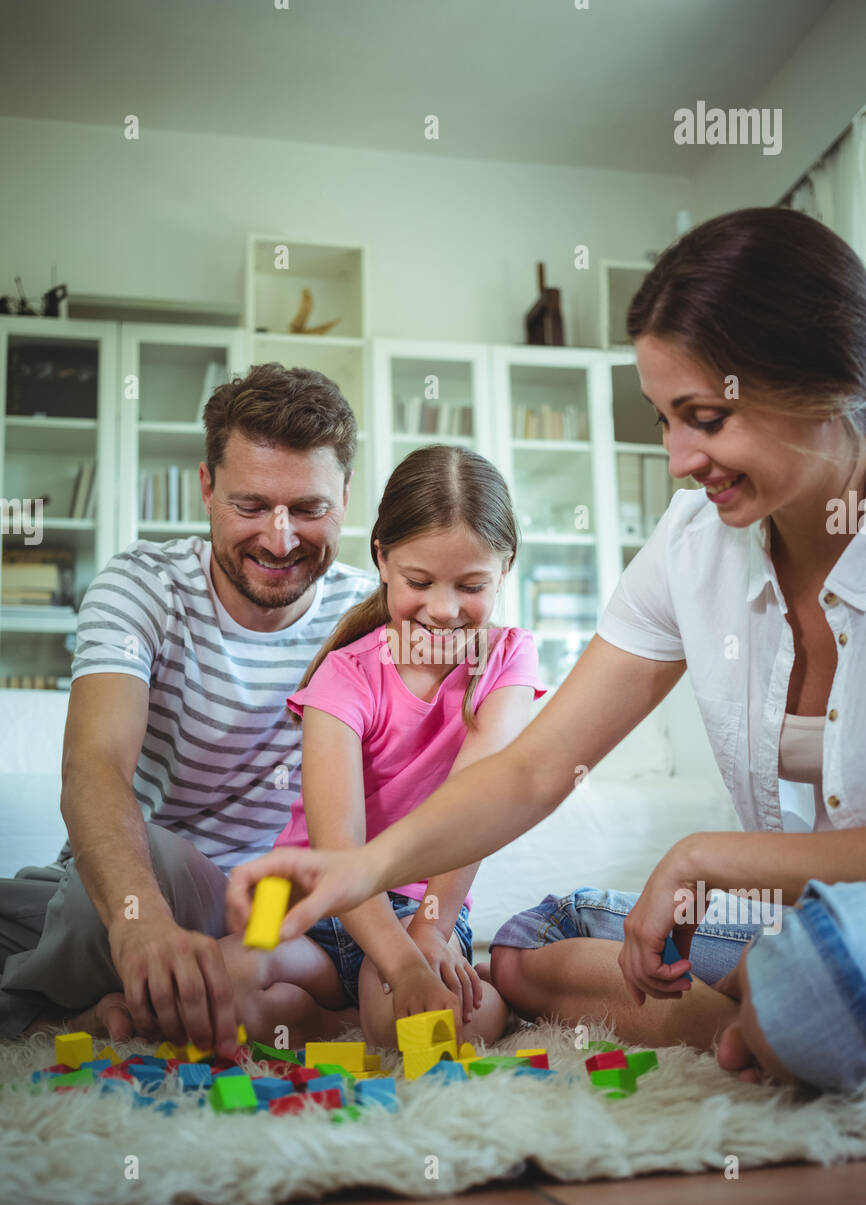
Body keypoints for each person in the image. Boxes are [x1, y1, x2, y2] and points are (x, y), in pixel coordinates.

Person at [223, 208, 866, 1092]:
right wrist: (357, 871)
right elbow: (537, 767)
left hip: (827, 927)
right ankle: (761, 1019)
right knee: (532, 944)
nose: (678, 458)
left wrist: (705, 858)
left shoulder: (512, 651)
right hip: (785, 921)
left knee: (820, 973)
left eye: (706, 418)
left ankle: (788, 1010)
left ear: (825, 379)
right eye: (664, 420)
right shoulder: (695, 544)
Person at [0, 363, 377, 1054]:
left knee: (301, 926)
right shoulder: (140, 586)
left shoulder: (372, 615)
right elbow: (94, 764)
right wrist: (139, 923)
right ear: (206, 488)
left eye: (310, 509)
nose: (280, 539)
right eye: (251, 505)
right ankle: (129, 994)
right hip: (132, 888)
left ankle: (76, 1013)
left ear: (347, 497)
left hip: (274, 908)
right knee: (137, 874)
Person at [219, 445, 544, 1050]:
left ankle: (333, 1021)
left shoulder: (508, 658)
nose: (444, 611)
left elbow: (479, 809)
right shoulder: (343, 675)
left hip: (421, 903)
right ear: (382, 559)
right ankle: (331, 1019)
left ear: (505, 569)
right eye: (419, 582)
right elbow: (336, 843)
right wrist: (399, 969)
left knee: (444, 1021)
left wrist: (425, 940)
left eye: (471, 585)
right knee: (221, 983)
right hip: (298, 894)